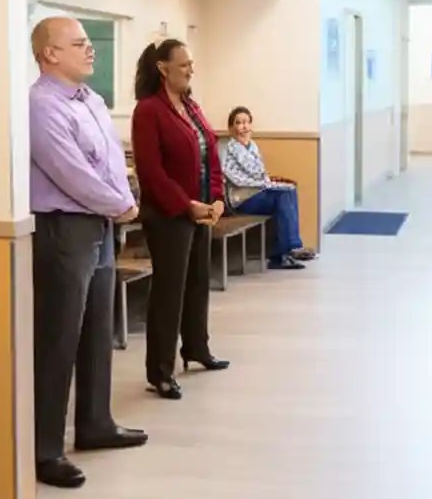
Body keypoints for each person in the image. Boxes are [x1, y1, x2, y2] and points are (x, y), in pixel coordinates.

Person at [29, 16, 148, 489]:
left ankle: (96, 422)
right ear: (49, 53)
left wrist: (120, 203)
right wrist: (122, 206)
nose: (90, 49)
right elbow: (69, 171)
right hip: (64, 228)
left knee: (98, 328)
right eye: (78, 43)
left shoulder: (91, 100)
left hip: (100, 223)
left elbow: (110, 163)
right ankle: (45, 449)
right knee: (58, 339)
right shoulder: (41, 104)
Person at [131, 39, 230, 400]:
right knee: (168, 293)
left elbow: (211, 154)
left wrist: (216, 199)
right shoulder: (148, 110)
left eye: (192, 63)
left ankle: (196, 348)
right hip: (170, 215)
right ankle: (160, 370)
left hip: (201, 210)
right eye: (184, 64)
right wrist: (185, 204)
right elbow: (151, 172)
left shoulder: (191, 106)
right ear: (163, 68)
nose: (191, 69)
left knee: (197, 283)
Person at [222, 106, 315, 269]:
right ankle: (288, 250)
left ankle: (282, 255)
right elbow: (238, 179)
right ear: (231, 128)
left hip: (258, 193)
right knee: (281, 195)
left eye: (246, 122)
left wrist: (270, 184)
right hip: (241, 198)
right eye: (238, 123)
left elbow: (261, 173)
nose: (243, 127)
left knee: (288, 191)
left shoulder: (252, 146)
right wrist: (267, 184)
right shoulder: (228, 149)